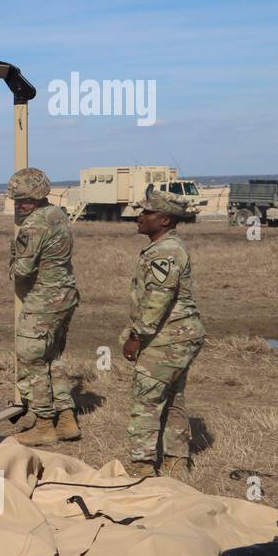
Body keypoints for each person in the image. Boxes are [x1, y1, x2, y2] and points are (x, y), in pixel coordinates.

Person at [121, 190, 205, 479]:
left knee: (146, 401)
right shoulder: (165, 247)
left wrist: (136, 336)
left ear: (165, 219)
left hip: (167, 337)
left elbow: (158, 299)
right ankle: (176, 462)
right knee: (173, 399)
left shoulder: (165, 251)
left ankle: (141, 468)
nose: (139, 217)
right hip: (179, 336)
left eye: (147, 213)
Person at [7, 167, 81, 446]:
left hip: (42, 301)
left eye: (22, 199)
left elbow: (23, 269)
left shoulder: (34, 225)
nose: (19, 205)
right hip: (64, 296)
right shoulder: (57, 214)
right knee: (53, 358)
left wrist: (12, 255)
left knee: (31, 360)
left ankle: (43, 424)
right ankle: (66, 418)